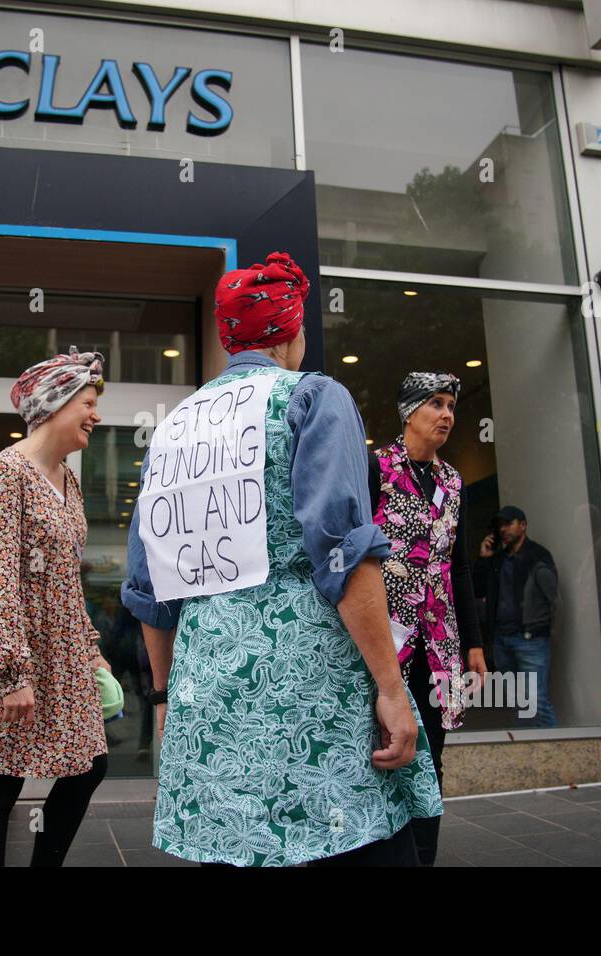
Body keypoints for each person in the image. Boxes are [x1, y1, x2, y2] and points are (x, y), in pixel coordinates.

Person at [122, 251, 442, 867]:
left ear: (229, 337)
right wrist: (391, 689)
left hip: (208, 686)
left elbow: (149, 588)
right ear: (292, 332)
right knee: (354, 841)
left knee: (240, 847)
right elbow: (345, 554)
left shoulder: (174, 428)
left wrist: (163, 700)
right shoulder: (314, 397)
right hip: (309, 686)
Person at [0, 347, 113, 867]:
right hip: (8, 648)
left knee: (90, 764)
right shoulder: (4, 473)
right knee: (0, 780)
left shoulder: (68, 479)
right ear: (55, 404)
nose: (96, 415)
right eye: (87, 403)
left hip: (59, 650)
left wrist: (91, 651)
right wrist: (12, 672)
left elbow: (66, 579)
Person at [368, 371, 486, 866]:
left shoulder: (453, 482)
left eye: (451, 406)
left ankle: (422, 856)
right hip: (382, 638)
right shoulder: (375, 468)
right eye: (436, 404)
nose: (447, 415)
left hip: (439, 641)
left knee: (430, 756)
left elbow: (458, 565)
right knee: (378, 751)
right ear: (408, 411)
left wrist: (473, 644)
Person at [474, 506, 558, 727]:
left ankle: (555, 745)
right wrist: (484, 559)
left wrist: (541, 628)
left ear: (523, 525)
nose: (503, 529)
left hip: (530, 638)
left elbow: (552, 597)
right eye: (500, 525)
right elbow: (478, 590)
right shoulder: (497, 559)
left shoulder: (537, 556)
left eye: (508, 523)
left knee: (536, 701)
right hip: (502, 639)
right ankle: (529, 744)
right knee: (520, 702)